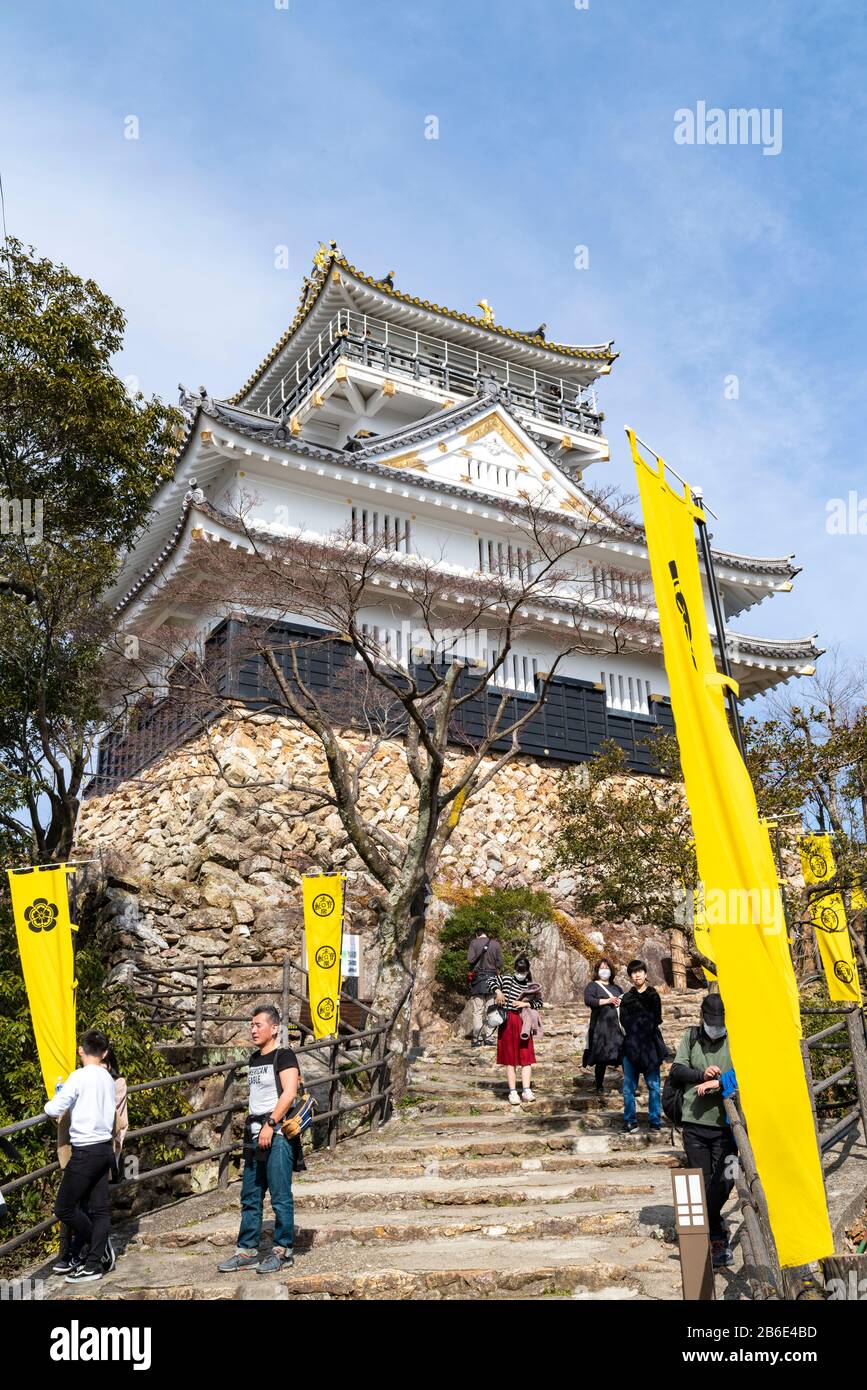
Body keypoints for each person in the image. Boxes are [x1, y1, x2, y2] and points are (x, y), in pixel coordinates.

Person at [218, 1005, 303, 1275]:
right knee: (250, 1196)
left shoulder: (284, 1055)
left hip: (276, 1134)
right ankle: (247, 1251)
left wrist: (270, 1123)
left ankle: (282, 1250)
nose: (253, 1029)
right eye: (251, 1025)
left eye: (258, 1025)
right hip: (254, 1134)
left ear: (275, 1028)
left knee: (279, 1195)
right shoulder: (254, 1058)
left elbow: (289, 1092)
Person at [45, 1028, 118, 1283]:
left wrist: (49, 1103)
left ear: (80, 1051)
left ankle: (97, 1246)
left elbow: (55, 1107)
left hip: (85, 1150)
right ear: (105, 1052)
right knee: (100, 1210)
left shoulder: (78, 1076)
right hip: (104, 1148)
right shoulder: (108, 1079)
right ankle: (95, 1263)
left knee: (63, 1208)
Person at [669, 993, 736, 1267]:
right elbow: (676, 1070)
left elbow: (748, 1071)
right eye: (712, 1022)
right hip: (695, 1123)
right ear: (703, 1017)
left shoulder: (736, 1039)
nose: (716, 1027)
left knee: (725, 1181)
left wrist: (720, 1082)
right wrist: (701, 1075)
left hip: (726, 1126)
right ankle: (715, 1237)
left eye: (720, 1022)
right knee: (702, 1181)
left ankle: (700, 1230)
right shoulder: (691, 1037)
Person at [619, 959, 666, 1133]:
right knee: (628, 1087)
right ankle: (630, 1120)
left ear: (646, 974)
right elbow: (624, 1021)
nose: (637, 975)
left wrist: (640, 1022)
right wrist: (642, 1021)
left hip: (650, 1045)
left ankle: (655, 1120)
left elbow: (657, 1018)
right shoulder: (627, 998)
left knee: (653, 1085)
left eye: (640, 971)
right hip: (631, 1045)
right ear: (630, 976)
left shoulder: (653, 995)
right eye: (633, 972)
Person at [491, 955, 542, 1105]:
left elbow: (539, 1003)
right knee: (510, 1059)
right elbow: (489, 981)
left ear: (527, 971)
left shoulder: (531, 985)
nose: (520, 972)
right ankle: (513, 1092)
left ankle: (526, 1090)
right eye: (518, 970)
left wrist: (525, 1004)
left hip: (523, 1022)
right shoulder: (506, 979)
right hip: (507, 1021)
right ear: (514, 969)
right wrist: (498, 992)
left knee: (526, 1058)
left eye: (523, 970)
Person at [583, 957, 623, 1095]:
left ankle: (627, 1085)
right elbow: (589, 1000)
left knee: (623, 1056)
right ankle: (599, 1085)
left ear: (611, 971)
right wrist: (608, 1000)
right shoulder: (592, 986)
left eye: (607, 968)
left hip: (617, 1027)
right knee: (601, 1057)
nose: (604, 970)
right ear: (597, 970)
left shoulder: (617, 987)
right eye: (602, 968)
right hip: (601, 1027)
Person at [467, 927, 504, 1048]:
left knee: (478, 1011)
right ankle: (489, 1037)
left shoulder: (474, 943)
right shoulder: (495, 944)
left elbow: (470, 960)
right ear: (485, 933)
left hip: (478, 980)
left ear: (476, 934)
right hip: (492, 979)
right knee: (491, 1010)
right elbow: (500, 964)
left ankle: (476, 1039)